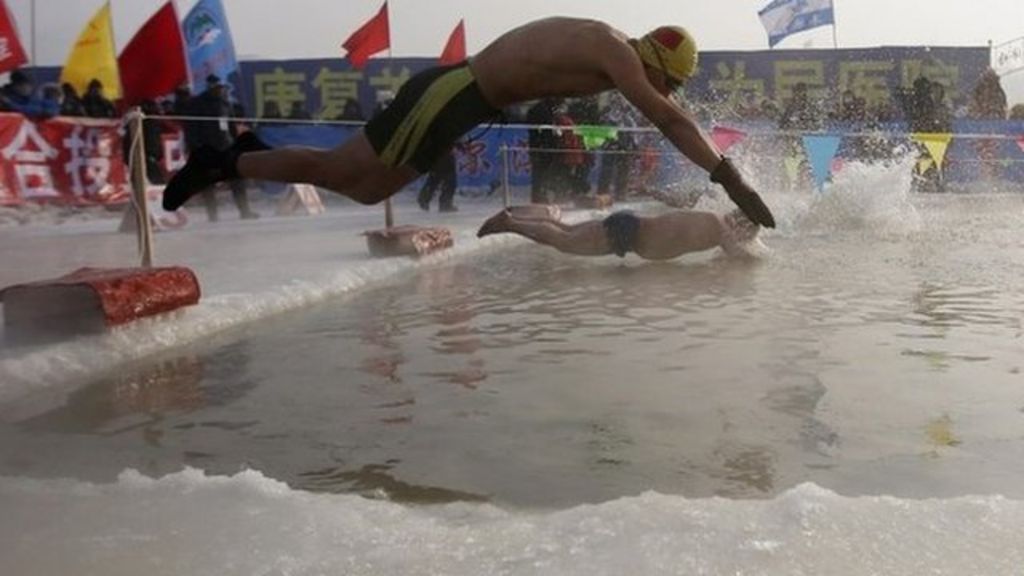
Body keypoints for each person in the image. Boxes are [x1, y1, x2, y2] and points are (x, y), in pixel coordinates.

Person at [163, 18, 775, 229]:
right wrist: (728, 176)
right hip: (453, 93)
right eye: (665, 79)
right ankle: (228, 160)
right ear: (655, 62)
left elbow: (668, 109)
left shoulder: (615, 56)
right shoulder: (615, 51)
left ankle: (235, 157)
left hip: (467, 105)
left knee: (365, 185)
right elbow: (667, 117)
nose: (661, 91)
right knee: (343, 171)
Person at [476, 205, 761, 261]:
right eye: (748, 234)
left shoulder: (713, 222)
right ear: (741, 226)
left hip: (629, 226)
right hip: (627, 234)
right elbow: (743, 259)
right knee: (563, 242)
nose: (744, 240)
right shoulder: (719, 228)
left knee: (564, 231)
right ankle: (510, 222)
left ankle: (532, 215)